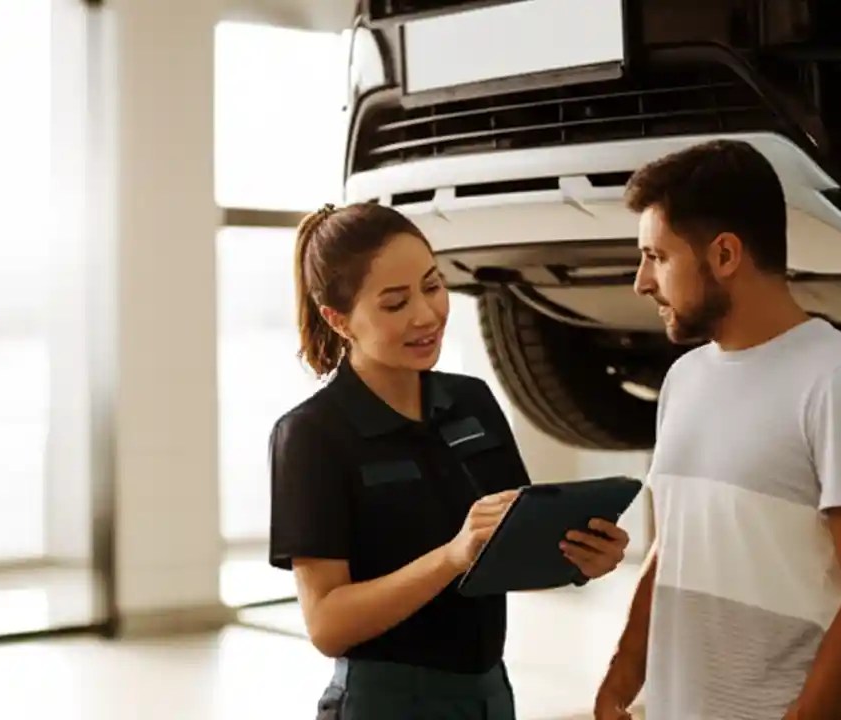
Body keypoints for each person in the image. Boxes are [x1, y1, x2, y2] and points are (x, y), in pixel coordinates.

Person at [268, 202, 632, 720]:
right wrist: (451, 557)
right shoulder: (311, 435)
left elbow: (512, 548)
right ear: (339, 320)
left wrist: (580, 560)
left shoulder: (471, 401)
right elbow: (328, 625)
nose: (426, 315)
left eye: (432, 286)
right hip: (384, 705)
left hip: (489, 696)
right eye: (395, 303)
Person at [594, 140, 841, 720]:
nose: (641, 282)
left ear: (724, 255)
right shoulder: (685, 379)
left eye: (657, 256)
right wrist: (622, 675)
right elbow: (675, 545)